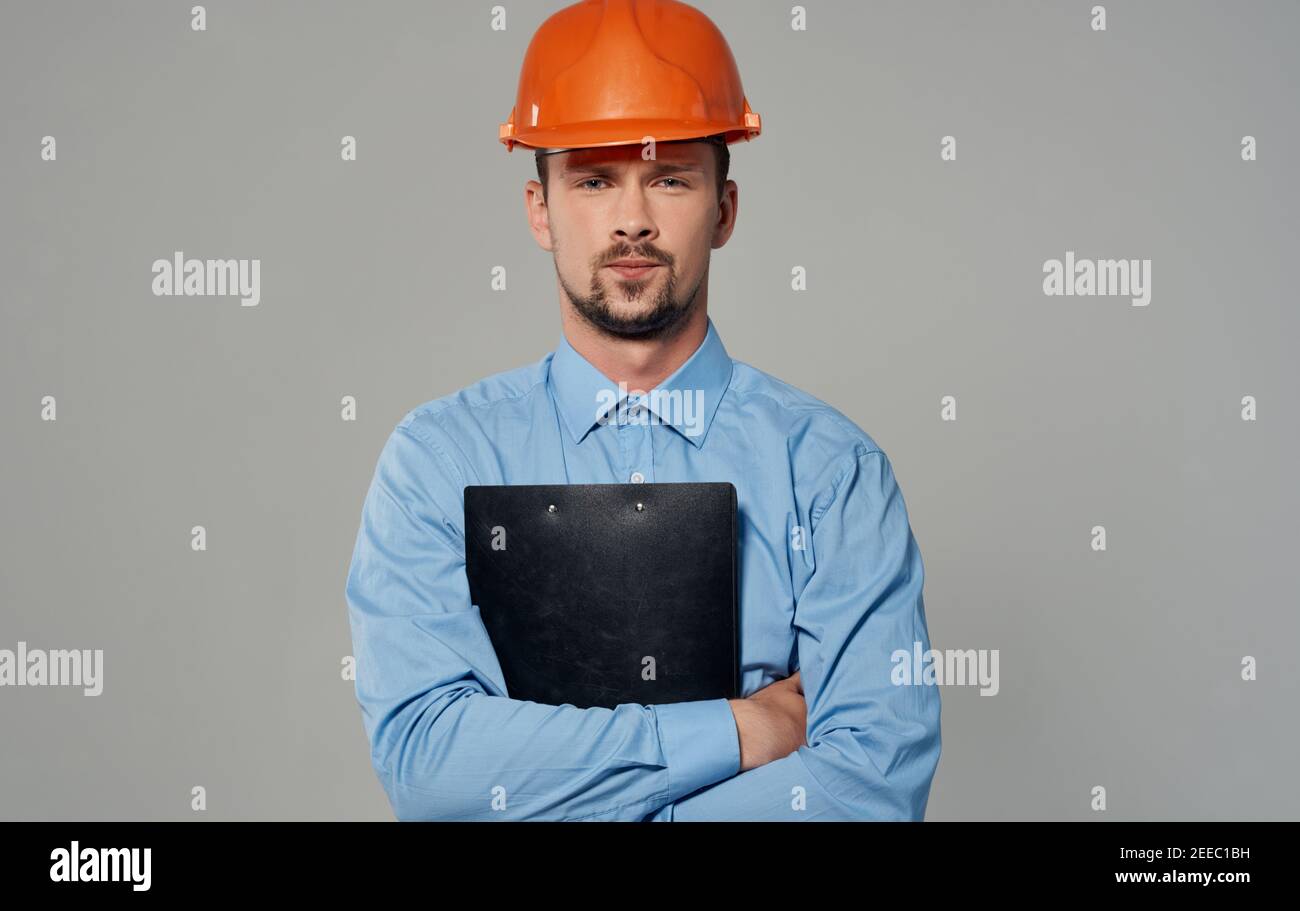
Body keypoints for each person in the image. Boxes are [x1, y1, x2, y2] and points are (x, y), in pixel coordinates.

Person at [344, 0, 941, 821]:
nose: (632, 219)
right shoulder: (438, 462)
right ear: (540, 209)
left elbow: (870, 785)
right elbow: (429, 763)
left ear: (724, 210)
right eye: (594, 180)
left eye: (669, 178)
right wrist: (740, 729)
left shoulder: (833, 473)